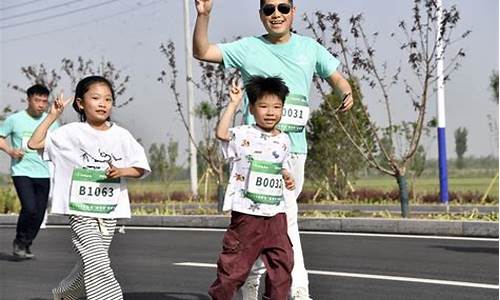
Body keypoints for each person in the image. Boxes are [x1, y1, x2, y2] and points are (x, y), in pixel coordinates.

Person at [193, 0, 354, 298]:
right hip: (251, 154)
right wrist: (204, 16)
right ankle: (295, 290)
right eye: (269, 9)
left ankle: (265, 283)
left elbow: (337, 78)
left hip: (291, 151)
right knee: (264, 223)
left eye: (282, 7)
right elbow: (202, 51)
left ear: (294, 12)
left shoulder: (310, 48)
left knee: (278, 223)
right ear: (261, 15)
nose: (276, 14)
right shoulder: (247, 48)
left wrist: (346, 91)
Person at [28, 75, 150, 300]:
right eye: (95, 98)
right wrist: (52, 116)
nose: (103, 103)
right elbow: (34, 143)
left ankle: (65, 294)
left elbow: (140, 168)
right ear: (80, 103)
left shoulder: (122, 136)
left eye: (108, 99)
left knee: (92, 262)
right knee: (98, 261)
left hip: (108, 212)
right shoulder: (70, 133)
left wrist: (123, 171)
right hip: (81, 211)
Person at [209, 76, 296, 300]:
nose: (270, 112)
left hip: (276, 215)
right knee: (234, 269)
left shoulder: (285, 139)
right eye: (264, 106)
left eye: (277, 107)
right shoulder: (243, 134)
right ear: (252, 108)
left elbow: (282, 166)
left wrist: (287, 176)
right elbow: (221, 134)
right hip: (247, 216)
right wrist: (233, 104)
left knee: (283, 265)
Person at [0, 84, 58, 259]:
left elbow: (59, 144)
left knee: (39, 213)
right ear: (29, 100)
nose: (41, 105)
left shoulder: (51, 121)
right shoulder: (14, 119)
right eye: (37, 100)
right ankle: (19, 242)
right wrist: (10, 151)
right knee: (30, 208)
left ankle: (26, 244)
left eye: (44, 101)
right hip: (22, 170)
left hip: (43, 172)